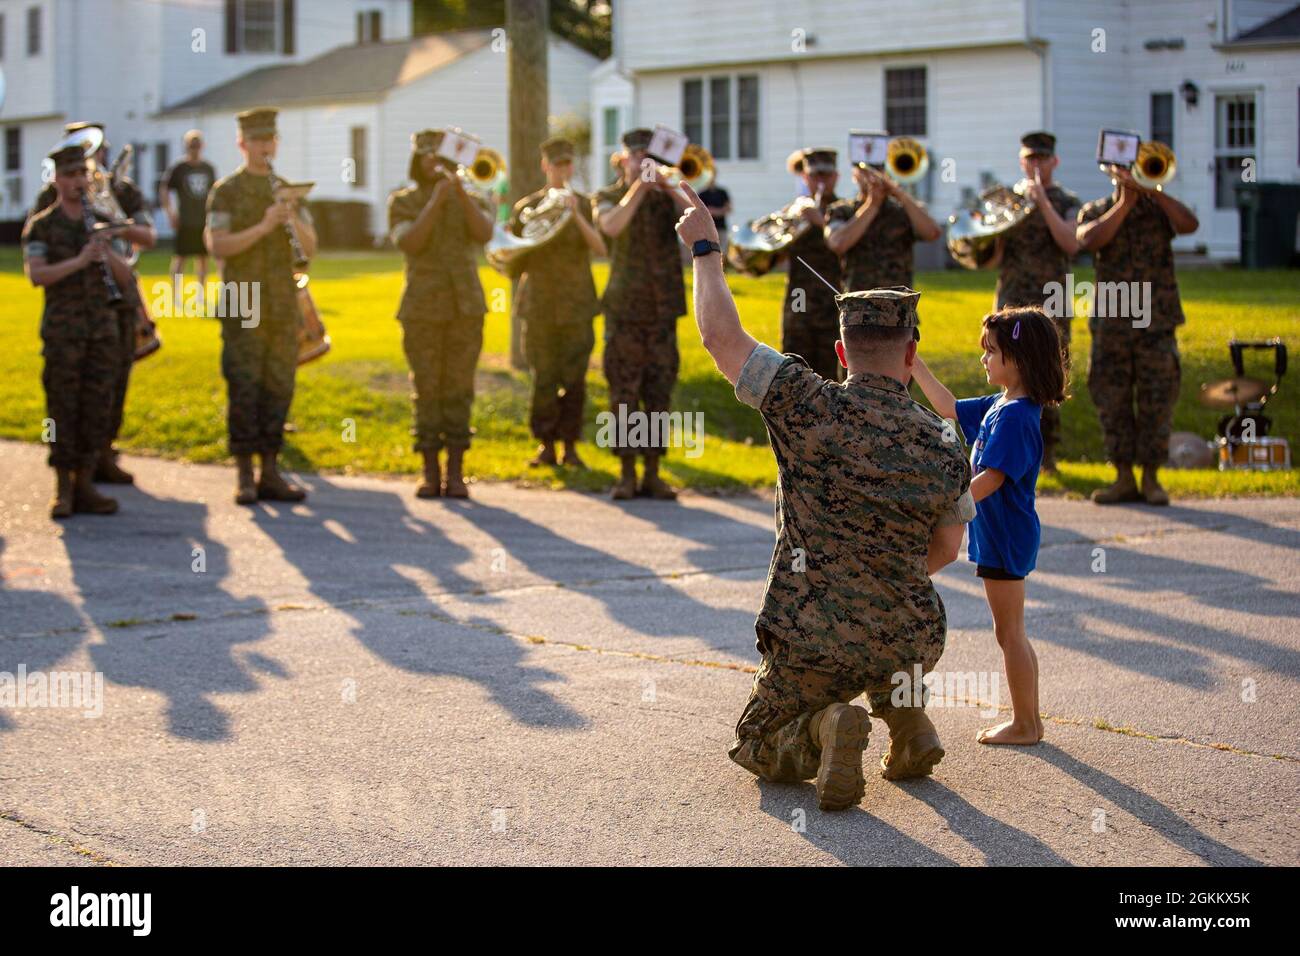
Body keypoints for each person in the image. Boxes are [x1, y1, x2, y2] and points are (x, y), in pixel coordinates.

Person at [672, 182, 974, 811]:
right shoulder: (945, 441)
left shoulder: (804, 402)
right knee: (896, 631)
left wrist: (705, 248)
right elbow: (948, 546)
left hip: (814, 635)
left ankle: (822, 726)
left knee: (757, 741)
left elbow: (720, 337)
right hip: (909, 634)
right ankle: (908, 718)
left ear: (840, 352)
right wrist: (881, 577)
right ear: (912, 353)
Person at [911, 308, 1067, 745]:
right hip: (1001, 534)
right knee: (1010, 631)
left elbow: (992, 478)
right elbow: (947, 407)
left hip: (1007, 536)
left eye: (991, 351)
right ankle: (1029, 722)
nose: (984, 360)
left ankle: (1025, 724)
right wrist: (914, 364)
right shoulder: (1002, 405)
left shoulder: (1017, 417)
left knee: (1010, 632)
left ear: (1018, 358)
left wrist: (946, 506)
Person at [30, 122, 157, 486]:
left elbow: (147, 235)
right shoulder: (49, 199)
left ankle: (103, 452)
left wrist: (113, 227)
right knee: (69, 391)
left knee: (113, 379)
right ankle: (74, 470)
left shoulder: (119, 190)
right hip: (73, 308)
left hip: (116, 300)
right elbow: (37, 250)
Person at [205, 108, 318, 505]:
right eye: (256, 140)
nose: (264, 147)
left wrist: (292, 220)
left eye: (269, 139)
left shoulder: (286, 188)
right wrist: (264, 225)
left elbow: (310, 249)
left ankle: (270, 469)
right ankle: (243, 474)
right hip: (244, 297)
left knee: (279, 384)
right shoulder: (227, 191)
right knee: (244, 383)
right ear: (242, 144)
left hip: (281, 300)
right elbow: (218, 245)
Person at [1076, 162, 1199, 505]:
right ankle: (1124, 476)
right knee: (1111, 399)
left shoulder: (1158, 209)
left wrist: (1153, 192)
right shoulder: (1098, 210)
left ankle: (1151, 478)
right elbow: (1087, 240)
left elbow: (1190, 224)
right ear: (1110, 173)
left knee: (1157, 398)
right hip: (1113, 322)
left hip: (1156, 321)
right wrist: (1124, 204)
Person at [387, 128, 494, 498]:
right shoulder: (403, 201)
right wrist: (434, 202)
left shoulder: (471, 196)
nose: (435, 164)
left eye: (442, 158)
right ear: (417, 161)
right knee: (427, 388)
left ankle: (456, 473)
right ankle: (430, 472)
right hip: (421, 309)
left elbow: (484, 233)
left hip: (465, 307)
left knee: (460, 388)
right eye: (428, 157)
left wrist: (460, 195)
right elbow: (409, 241)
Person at [595, 128, 692, 501]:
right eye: (638, 156)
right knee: (624, 392)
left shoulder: (668, 197)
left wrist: (667, 186)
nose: (644, 163)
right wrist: (638, 188)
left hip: (662, 309)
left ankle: (652, 472)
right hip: (625, 310)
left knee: (658, 391)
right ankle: (625, 473)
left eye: (649, 157)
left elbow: (697, 221)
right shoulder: (609, 196)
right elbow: (611, 226)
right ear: (623, 160)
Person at [508, 136, 606, 469]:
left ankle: (570, 447)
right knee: (543, 377)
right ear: (545, 166)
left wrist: (575, 215)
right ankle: (546, 445)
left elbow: (601, 248)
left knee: (575, 379)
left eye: (568, 163)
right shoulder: (527, 207)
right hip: (537, 304)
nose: (563, 170)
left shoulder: (584, 202)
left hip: (577, 305)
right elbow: (511, 257)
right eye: (557, 164)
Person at [985, 131, 1080, 474]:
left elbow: (1071, 243)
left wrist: (1042, 202)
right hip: (1011, 298)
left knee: (1047, 371)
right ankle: (1005, 447)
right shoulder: (1008, 200)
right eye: (1030, 159)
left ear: (1054, 161)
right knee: (1007, 369)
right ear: (1021, 161)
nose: (1036, 164)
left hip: (1051, 299)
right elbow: (989, 255)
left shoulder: (1066, 200)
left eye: (1042, 158)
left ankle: (1047, 453)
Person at [825, 149, 941, 293]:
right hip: (859, 308)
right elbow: (838, 243)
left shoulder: (903, 210)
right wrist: (872, 205)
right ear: (854, 175)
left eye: (877, 169)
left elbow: (933, 233)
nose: (871, 176)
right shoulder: (842, 210)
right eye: (865, 171)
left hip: (900, 307)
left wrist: (901, 195)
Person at [779, 147, 843, 382]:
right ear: (805, 177)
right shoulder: (795, 210)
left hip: (832, 303)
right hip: (798, 303)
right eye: (815, 176)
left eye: (826, 175)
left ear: (836, 177)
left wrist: (820, 220)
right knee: (795, 372)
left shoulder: (846, 211)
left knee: (832, 375)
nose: (821, 182)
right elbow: (773, 256)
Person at [162, 129, 217, 301]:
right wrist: (170, 213)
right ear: (186, 147)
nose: (194, 149)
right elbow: (165, 189)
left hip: (203, 220)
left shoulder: (208, 168)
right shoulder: (179, 168)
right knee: (180, 257)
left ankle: (201, 295)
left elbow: (215, 194)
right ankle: (175, 295)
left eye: (197, 145)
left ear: (202, 146)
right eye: (191, 146)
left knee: (203, 259)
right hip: (184, 220)